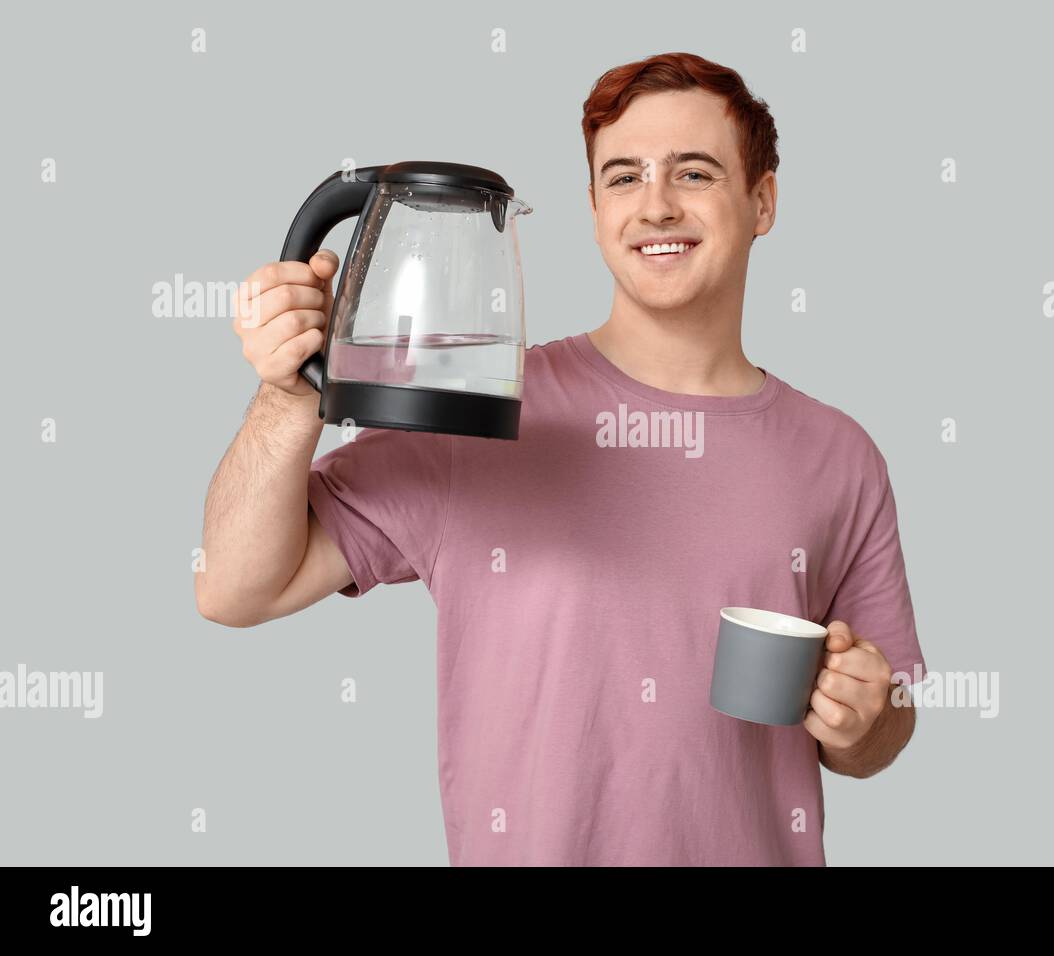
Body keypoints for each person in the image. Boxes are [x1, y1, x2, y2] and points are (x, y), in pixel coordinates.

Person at [196, 51, 926, 866]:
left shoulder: (840, 455)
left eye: (693, 173)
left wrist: (868, 717)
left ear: (761, 200)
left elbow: (879, 734)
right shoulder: (478, 413)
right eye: (623, 178)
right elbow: (232, 589)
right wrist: (286, 394)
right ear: (591, 208)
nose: (655, 206)